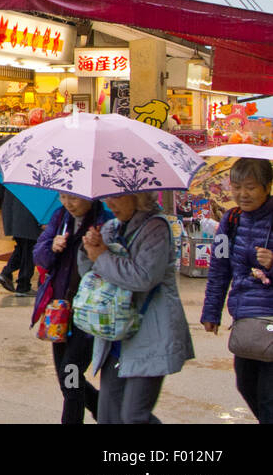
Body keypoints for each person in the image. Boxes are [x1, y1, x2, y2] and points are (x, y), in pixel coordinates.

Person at [79, 189, 194, 424]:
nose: (110, 202)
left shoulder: (156, 228)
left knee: (134, 416)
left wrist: (101, 256)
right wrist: (88, 249)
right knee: (108, 416)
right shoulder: (111, 227)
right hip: (114, 334)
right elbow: (92, 276)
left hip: (150, 331)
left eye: (118, 196)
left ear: (139, 196)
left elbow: (143, 277)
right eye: (107, 196)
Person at [201, 157, 273, 423]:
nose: (242, 194)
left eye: (251, 187)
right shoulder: (230, 221)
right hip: (246, 320)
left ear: (267, 187)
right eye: (237, 187)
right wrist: (211, 312)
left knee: (268, 395)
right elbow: (219, 269)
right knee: (245, 384)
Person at [33, 192, 110, 423]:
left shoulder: (105, 223)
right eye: (63, 197)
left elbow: (114, 268)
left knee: (70, 372)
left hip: (89, 313)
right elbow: (39, 255)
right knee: (66, 377)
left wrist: (99, 249)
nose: (68, 203)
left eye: (73, 198)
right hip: (59, 310)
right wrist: (52, 247)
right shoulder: (59, 218)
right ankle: (100, 406)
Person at [0, 181, 42, 296]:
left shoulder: (13, 171)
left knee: (23, 247)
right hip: (29, 214)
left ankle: (7, 273)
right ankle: (23, 285)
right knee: (29, 249)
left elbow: (0, 192)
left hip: (13, 212)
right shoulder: (36, 173)